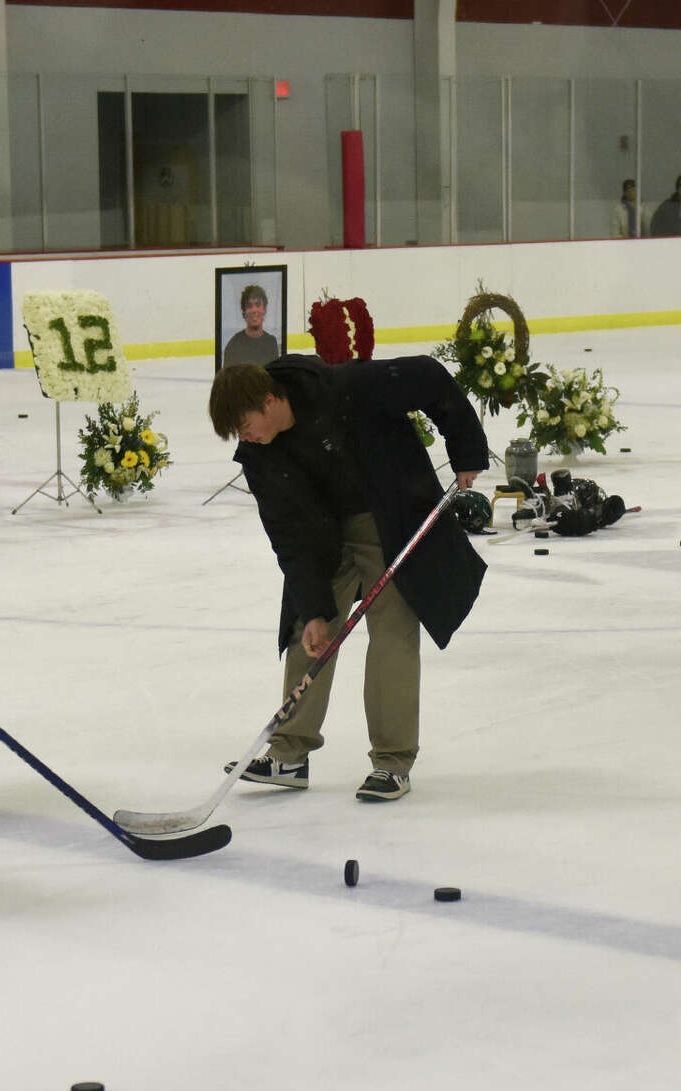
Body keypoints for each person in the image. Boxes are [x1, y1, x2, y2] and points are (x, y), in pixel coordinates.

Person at [208, 354, 489, 801]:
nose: (245, 437)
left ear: (269, 401)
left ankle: (392, 762)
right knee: (307, 631)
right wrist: (315, 609)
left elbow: (429, 377)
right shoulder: (260, 455)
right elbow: (289, 535)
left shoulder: (348, 387)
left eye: (245, 425)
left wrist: (467, 450)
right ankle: (289, 754)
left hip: (387, 516)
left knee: (392, 630)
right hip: (324, 538)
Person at [222, 283, 281, 367]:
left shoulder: (271, 343)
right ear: (244, 312)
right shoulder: (233, 344)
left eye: (258, 304)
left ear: (264, 309)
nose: (254, 310)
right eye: (249, 306)